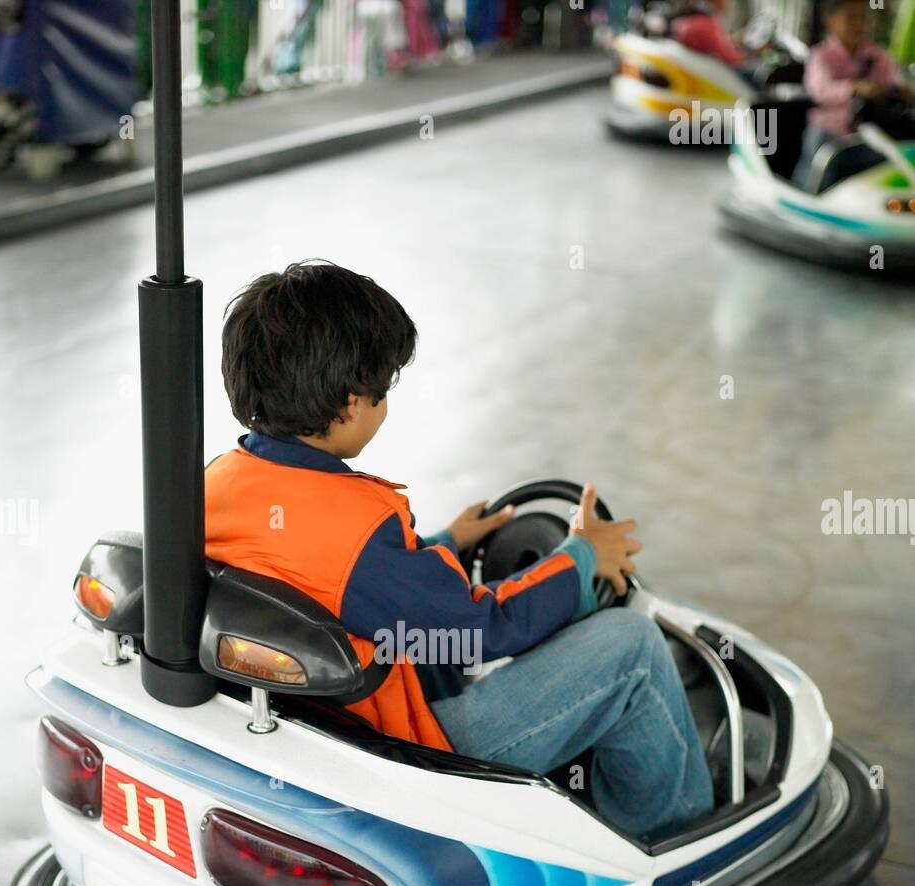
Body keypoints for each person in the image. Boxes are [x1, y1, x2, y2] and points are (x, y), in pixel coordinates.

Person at [205, 261, 714, 839]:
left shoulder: (218, 482)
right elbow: (482, 629)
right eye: (382, 391)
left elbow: (328, 576)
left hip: (314, 725)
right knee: (635, 649)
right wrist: (580, 558)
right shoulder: (359, 531)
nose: (384, 403)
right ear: (349, 405)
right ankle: (677, 848)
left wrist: (438, 547)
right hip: (411, 758)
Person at [793, 0, 908, 189]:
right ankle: (807, 192)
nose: (859, 24)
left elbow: (891, 84)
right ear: (830, 20)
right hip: (830, 130)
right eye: (851, 18)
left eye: (863, 18)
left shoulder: (877, 55)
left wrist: (900, 92)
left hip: (869, 133)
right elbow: (820, 90)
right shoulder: (821, 55)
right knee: (820, 149)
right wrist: (854, 88)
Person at [670, 0, 746, 69]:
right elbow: (730, 58)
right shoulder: (706, 23)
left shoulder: (689, 19)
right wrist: (743, 56)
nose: (729, 2)